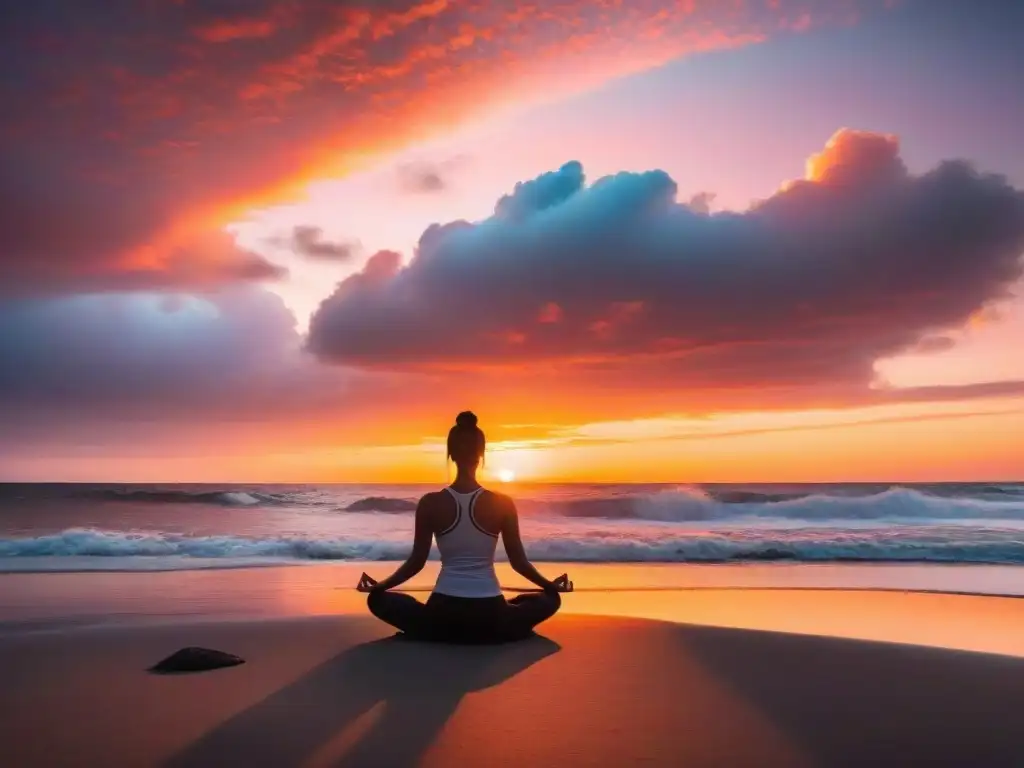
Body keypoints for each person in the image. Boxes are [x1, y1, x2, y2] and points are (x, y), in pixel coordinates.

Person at [357, 410, 573, 643]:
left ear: (450, 454)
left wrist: (380, 587)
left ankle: (430, 631)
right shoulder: (502, 503)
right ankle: (506, 624)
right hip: (492, 618)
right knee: (549, 599)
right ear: (481, 454)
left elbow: (416, 563)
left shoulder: (430, 503)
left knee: (378, 600)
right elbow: (519, 563)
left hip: (442, 615)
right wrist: (549, 586)